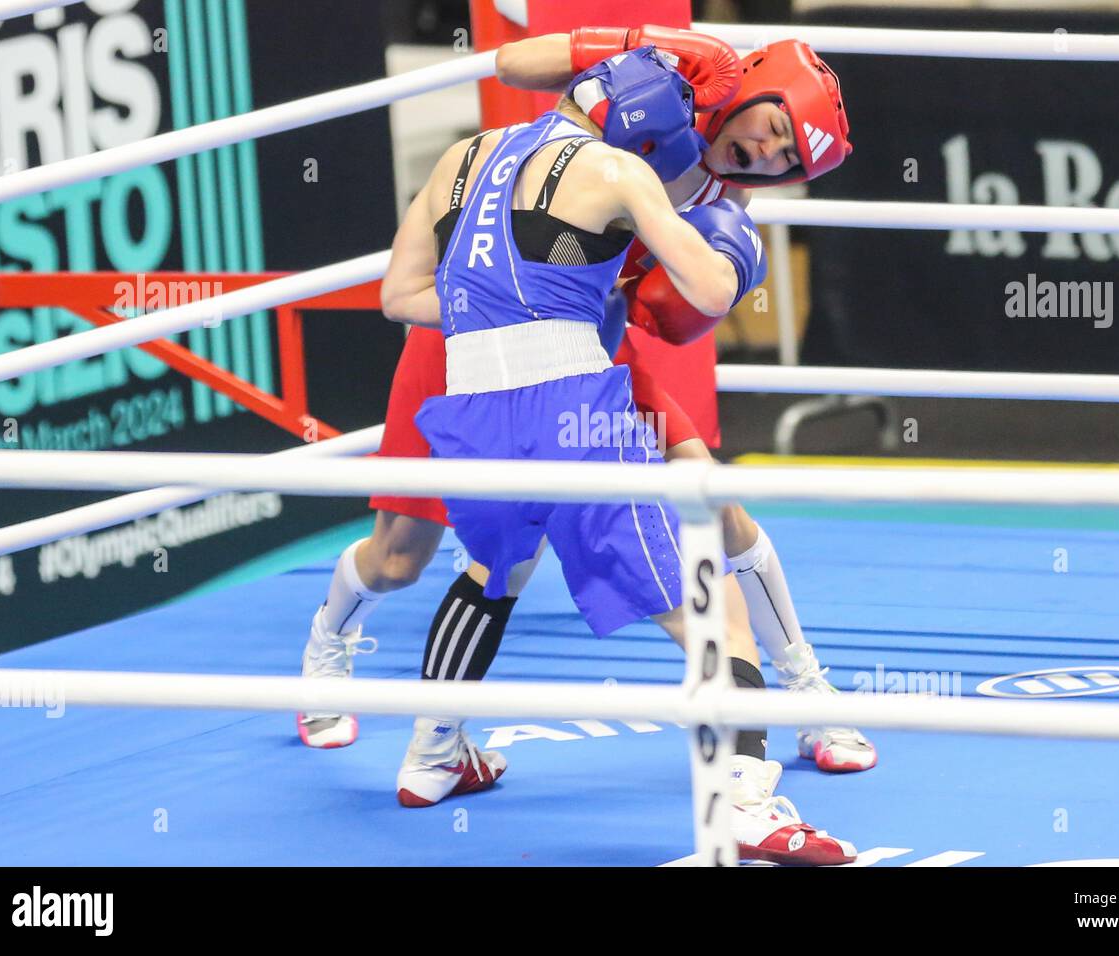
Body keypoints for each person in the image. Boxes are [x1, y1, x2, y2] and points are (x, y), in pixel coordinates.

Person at [301, 28, 874, 776]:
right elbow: (511, 64)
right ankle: (329, 648)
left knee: (717, 506)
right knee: (401, 557)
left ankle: (804, 690)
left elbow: (692, 296)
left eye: (788, 160)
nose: (769, 155)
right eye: (774, 130)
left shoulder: (716, 202)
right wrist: (633, 41)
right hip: (462, 340)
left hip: (588, 354)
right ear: (752, 91)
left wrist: (680, 284)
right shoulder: (652, 84)